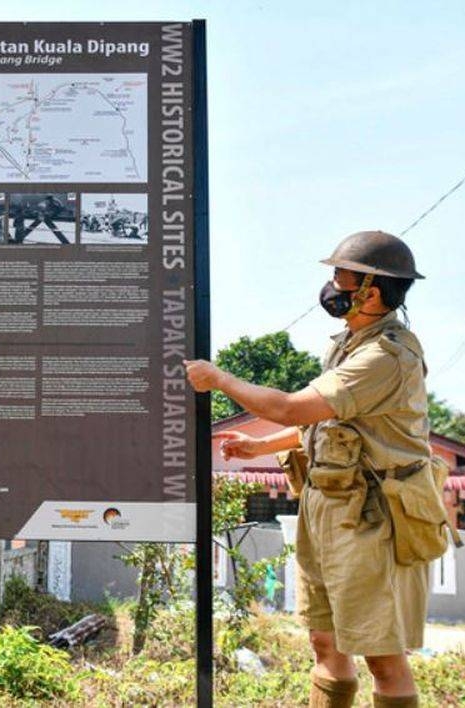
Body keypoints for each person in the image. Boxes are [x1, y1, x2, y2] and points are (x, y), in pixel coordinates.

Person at [185, 231, 433, 708]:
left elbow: (290, 408)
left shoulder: (385, 356)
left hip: (371, 517)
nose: (332, 286)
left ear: (370, 292)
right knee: (325, 643)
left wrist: (220, 379)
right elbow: (326, 423)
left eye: (341, 277)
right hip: (327, 506)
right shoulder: (351, 344)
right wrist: (260, 445)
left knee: (383, 657)